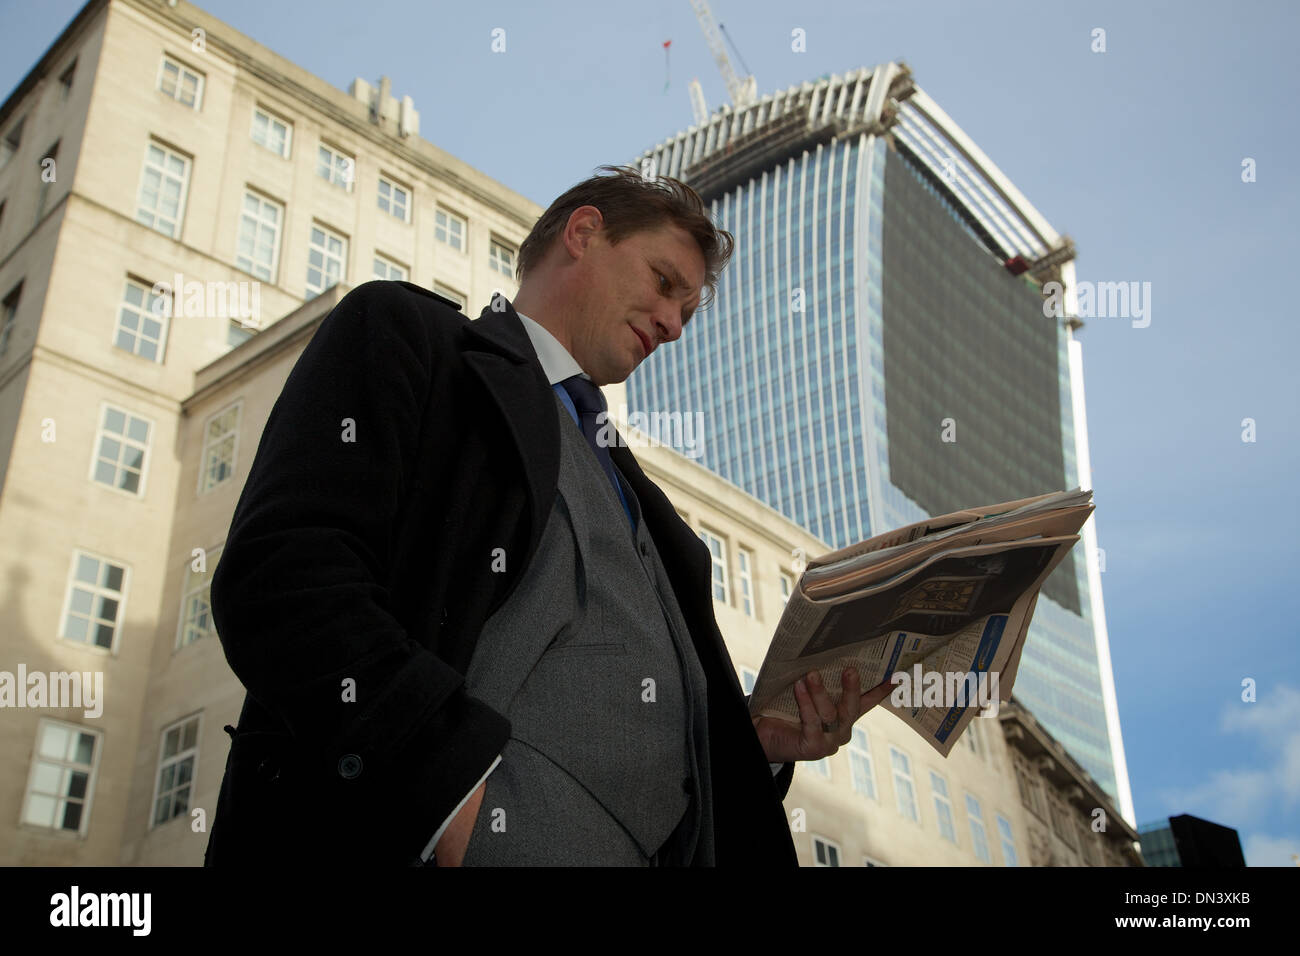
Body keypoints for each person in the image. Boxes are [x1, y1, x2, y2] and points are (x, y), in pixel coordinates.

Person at [204, 165, 893, 867]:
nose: (674, 326)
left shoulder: (642, 498)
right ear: (585, 232)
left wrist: (753, 746)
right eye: (664, 284)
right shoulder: (410, 336)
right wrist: (447, 801)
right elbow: (284, 577)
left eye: (687, 311)